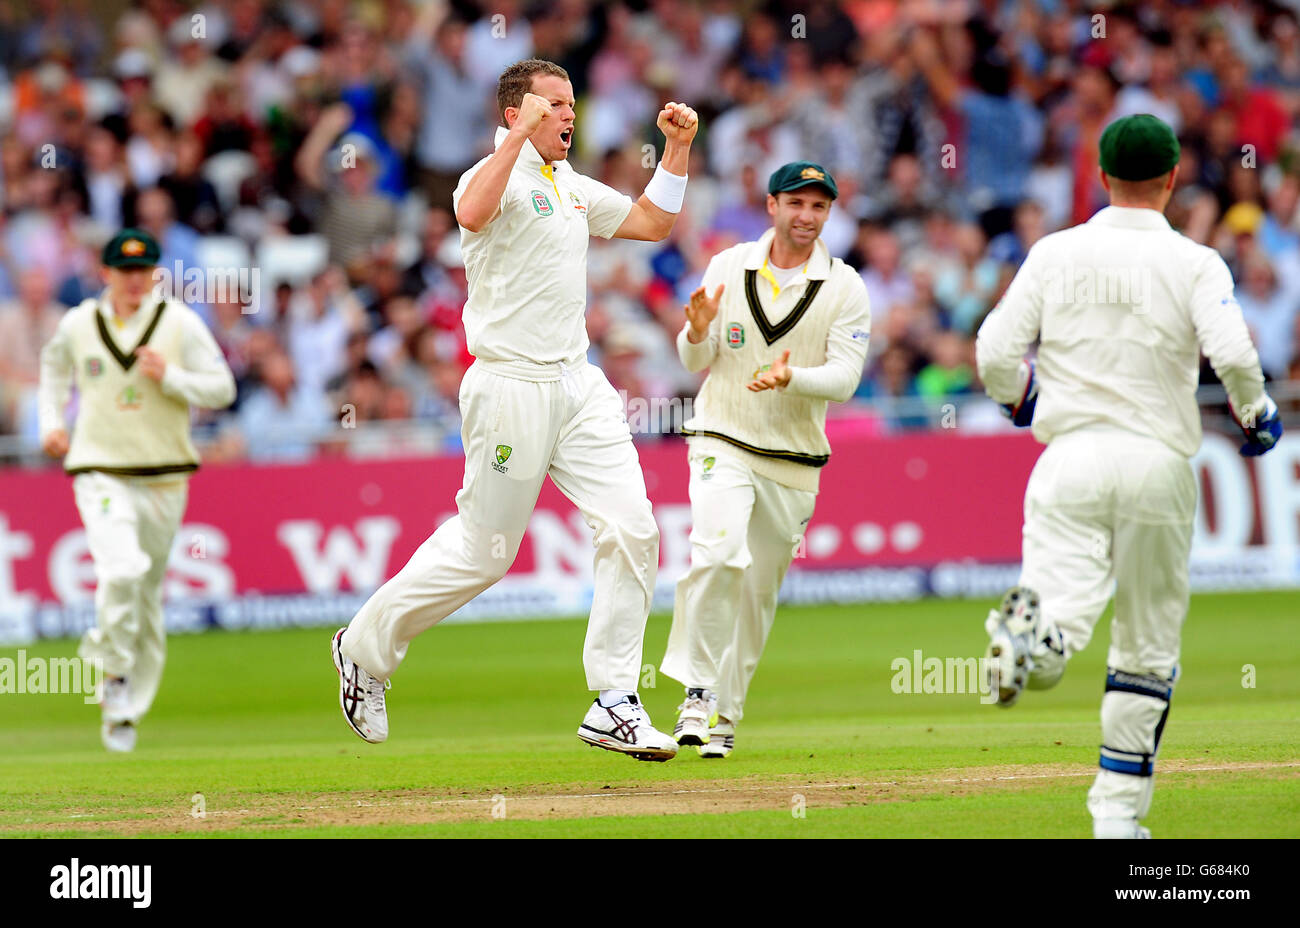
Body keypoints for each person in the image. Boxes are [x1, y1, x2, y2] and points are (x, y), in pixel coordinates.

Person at [331, 59, 699, 762]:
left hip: (577, 383)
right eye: (551, 106)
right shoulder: (488, 174)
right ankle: (363, 650)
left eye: (569, 105)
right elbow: (468, 213)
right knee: (485, 553)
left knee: (633, 527)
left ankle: (615, 701)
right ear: (515, 114)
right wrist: (514, 141)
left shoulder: (569, 185)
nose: (567, 116)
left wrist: (677, 151)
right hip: (508, 386)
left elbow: (652, 222)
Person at [975, 115, 1283, 838]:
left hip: (1070, 455)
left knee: (1062, 604)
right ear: (1173, 179)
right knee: (1146, 648)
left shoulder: (1055, 252)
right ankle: (1115, 819)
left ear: (1101, 175)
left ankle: (1035, 639)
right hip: (1155, 464)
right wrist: (1255, 412)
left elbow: (993, 349)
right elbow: (1235, 355)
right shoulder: (1195, 262)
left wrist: (1020, 398)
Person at [660, 162, 871, 757]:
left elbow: (846, 379)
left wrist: (791, 376)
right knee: (718, 552)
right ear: (772, 205)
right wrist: (695, 330)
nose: (807, 217)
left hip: (793, 460)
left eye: (819, 208)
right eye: (797, 204)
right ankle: (696, 693)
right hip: (721, 436)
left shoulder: (846, 286)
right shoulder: (729, 265)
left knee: (755, 595)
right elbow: (694, 360)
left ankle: (724, 716)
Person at [38, 228, 236, 751]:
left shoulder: (178, 322)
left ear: (155, 273)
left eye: (143, 269)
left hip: (165, 475)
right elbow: (53, 370)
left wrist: (172, 377)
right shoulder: (80, 323)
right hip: (99, 469)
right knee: (122, 567)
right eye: (124, 270)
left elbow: (222, 387)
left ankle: (125, 709)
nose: (134, 279)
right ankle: (110, 672)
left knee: (146, 595)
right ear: (105, 273)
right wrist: (51, 422)